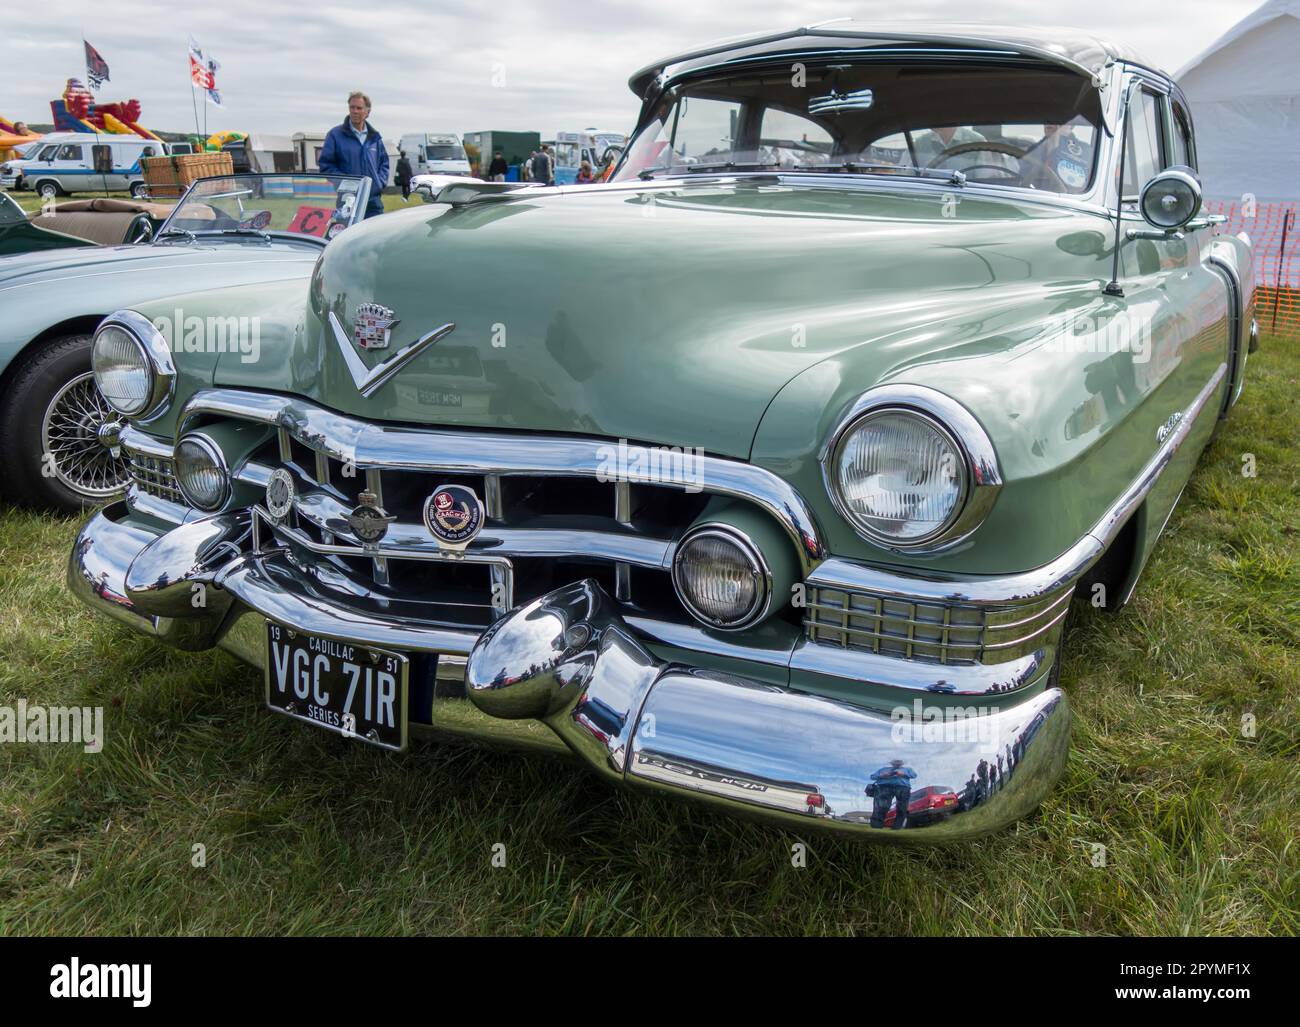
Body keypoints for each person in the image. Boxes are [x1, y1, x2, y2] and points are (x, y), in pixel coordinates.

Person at [318, 91, 389, 219]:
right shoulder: (335, 135)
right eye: (352, 107)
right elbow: (326, 165)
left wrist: (379, 183)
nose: (355, 111)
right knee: (347, 237)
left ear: (367, 112)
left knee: (375, 237)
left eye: (359, 108)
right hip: (347, 200)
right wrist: (346, 183)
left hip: (373, 201)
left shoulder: (375, 138)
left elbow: (384, 163)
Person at [867, 759, 916, 830]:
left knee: (902, 807)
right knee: (881, 806)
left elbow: (914, 775)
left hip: (903, 788)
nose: (897, 763)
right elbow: (872, 777)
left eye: (899, 762)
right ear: (892, 763)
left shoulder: (908, 769)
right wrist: (882, 775)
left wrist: (903, 774)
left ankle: (897, 827)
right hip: (885, 787)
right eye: (895, 762)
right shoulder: (884, 769)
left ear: (902, 764)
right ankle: (876, 826)